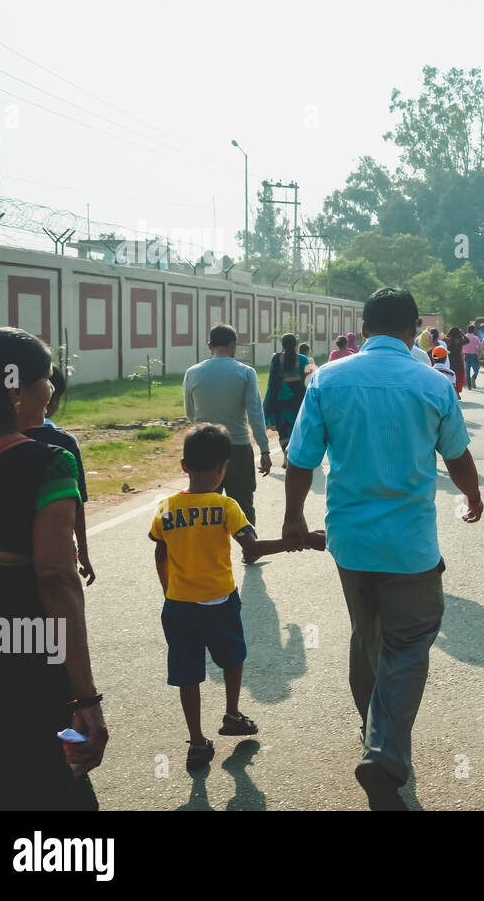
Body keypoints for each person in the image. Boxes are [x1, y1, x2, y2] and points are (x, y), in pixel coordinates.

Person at [281, 287, 484, 811]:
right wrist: (474, 494)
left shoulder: (327, 379)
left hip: (350, 543)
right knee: (408, 644)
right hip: (411, 545)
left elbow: (301, 458)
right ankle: (384, 753)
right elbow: (457, 456)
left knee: (366, 635)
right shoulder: (433, 383)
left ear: (364, 325)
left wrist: (292, 516)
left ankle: (371, 731)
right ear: (414, 328)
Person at [0, 327, 108, 810]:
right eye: (45, 379)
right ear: (14, 389)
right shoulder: (49, 463)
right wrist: (86, 697)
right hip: (18, 653)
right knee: (46, 784)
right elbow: (55, 578)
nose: (51, 389)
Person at [149, 424, 323, 770]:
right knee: (231, 657)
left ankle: (197, 742)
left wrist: (169, 591)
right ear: (223, 467)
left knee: (187, 673)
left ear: (184, 466)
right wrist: (300, 541)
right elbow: (253, 549)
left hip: (179, 607)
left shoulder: (165, 508)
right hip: (220, 603)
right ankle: (231, 714)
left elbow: (160, 552)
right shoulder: (226, 506)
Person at [183, 324, 273, 529]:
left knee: (204, 504)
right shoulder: (245, 373)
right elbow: (255, 415)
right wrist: (265, 449)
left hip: (203, 447)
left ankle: (206, 549)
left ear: (209, 346)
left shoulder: (192, 372)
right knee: (242, 502)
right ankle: (249, 547)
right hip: (238, 447)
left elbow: (190, 412)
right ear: (234, 345)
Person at [22, 365, 95, 585]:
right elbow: (77, 501)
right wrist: (82, 551)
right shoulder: (63, 444)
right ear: (51, 400)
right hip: (56, 550)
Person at [264, 333, 310, 469]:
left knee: (283, 429)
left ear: (282, 345)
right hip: (298, 400)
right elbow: (308, 381)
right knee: (297, 428)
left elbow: (272, 381)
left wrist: (269, 402)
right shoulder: (303, 359)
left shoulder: (276, 358)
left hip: (281, 399)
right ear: (296, 345)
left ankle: (286, 458)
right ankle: (295, 457)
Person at [445, 326, 467, 396]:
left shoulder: (448, 340)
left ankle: (453, 392)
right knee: (458, 376)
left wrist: (449, 352)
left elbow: (446, 349)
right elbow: (467, 340)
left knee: (451, 376)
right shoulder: (460, 339)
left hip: (450, 360)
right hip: (458, 360)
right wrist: (462, 334)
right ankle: (457, 392)